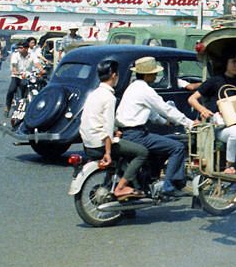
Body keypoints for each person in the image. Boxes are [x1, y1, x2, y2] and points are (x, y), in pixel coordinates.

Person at [116, 56, 192, 196]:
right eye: (154, 73)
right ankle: (169, 186)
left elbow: (150, 112)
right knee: (178, 147)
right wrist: (189, 122)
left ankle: (151, 178)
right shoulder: (145, 90)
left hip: (127, 133)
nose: (156, 75)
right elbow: (165, 109)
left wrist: (164, 122)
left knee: (166, 141)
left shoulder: (133, 87)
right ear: (147, 74)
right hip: (137, 135)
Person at [79, 61, 148, 200]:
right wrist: (108, 153)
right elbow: (107, 128)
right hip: (100, 144)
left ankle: (129, 202)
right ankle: (121, 187)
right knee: (142, 152)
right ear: (114, 75)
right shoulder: (109, 97)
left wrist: (116, 131)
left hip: (88, 143)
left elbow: (94, 120)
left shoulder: (94, 94)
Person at [4, 40, 31, 116]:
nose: (19, 49)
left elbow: (37, 64)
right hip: (17, 76)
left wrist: (41, 70)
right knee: (11, 90)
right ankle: (7, 107)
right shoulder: (15, 55)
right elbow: (14, 67)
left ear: (26, 48)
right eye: (18, 48)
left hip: (27, 76)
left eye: (21, 48)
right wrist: (16, 72)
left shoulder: (32, 55)